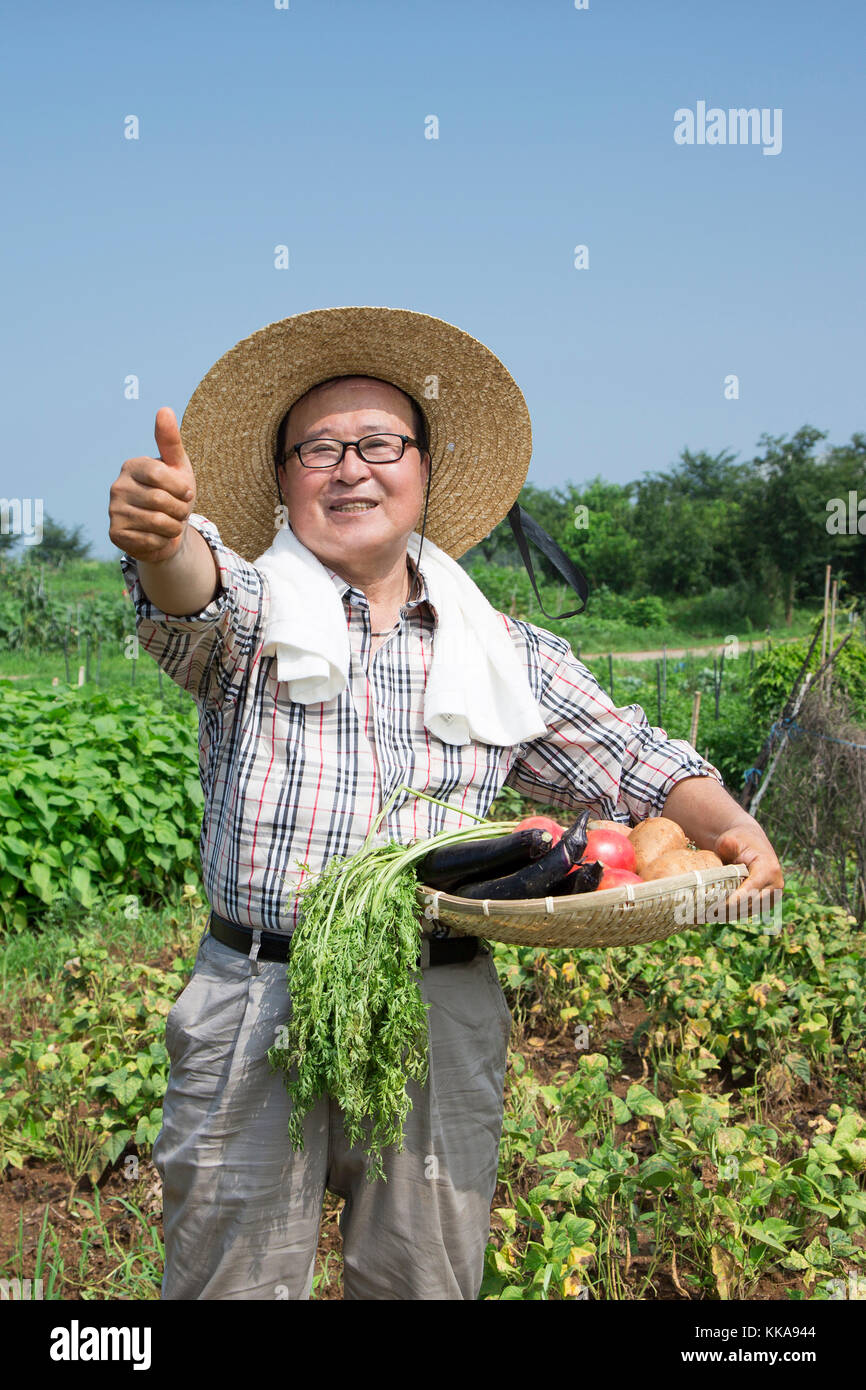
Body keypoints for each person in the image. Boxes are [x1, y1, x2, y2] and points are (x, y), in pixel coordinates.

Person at [108, 306, 784, 1300]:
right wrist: (161, 536)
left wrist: (729, 825)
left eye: (378, 444)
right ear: (283, 479)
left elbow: (628, 754)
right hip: (259, 1001)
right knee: (227, 1286)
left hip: (437, 996)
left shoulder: (496, 648)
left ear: (422, 469)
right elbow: (188, 592)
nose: (350, 468)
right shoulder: (254, 619)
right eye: (317, 450)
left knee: (422, 1282)